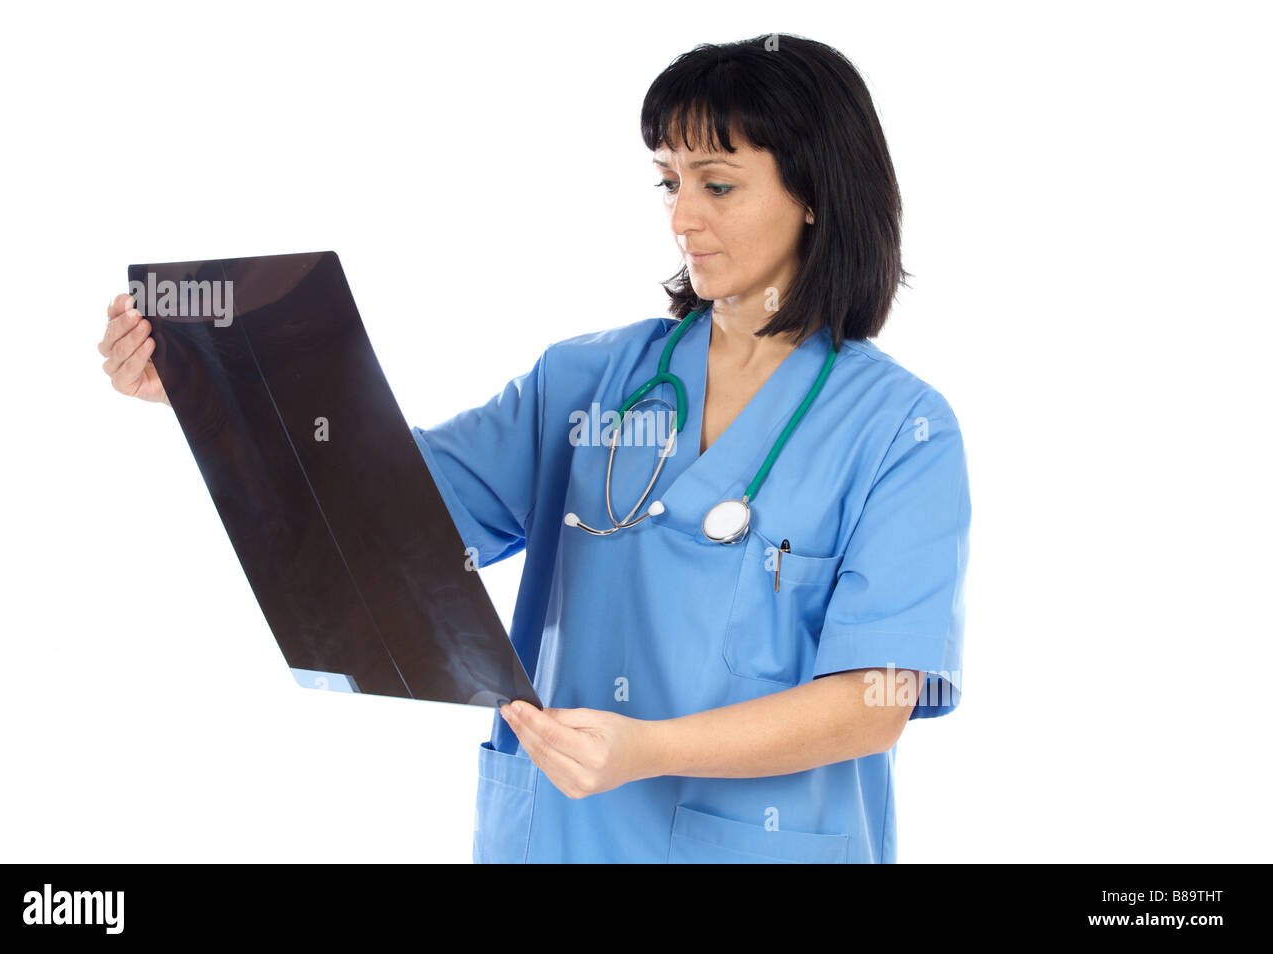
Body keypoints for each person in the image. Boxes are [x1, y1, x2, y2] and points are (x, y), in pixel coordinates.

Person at [98, 33, 970, 863]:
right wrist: (211, 390)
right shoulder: (586, 380)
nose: (682, 218)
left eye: (719, 185)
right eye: (669, 183)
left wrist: (647, 749)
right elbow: (387, 507)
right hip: (559, 837)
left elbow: (871, 703)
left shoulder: (901, 431)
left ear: (814, 191)